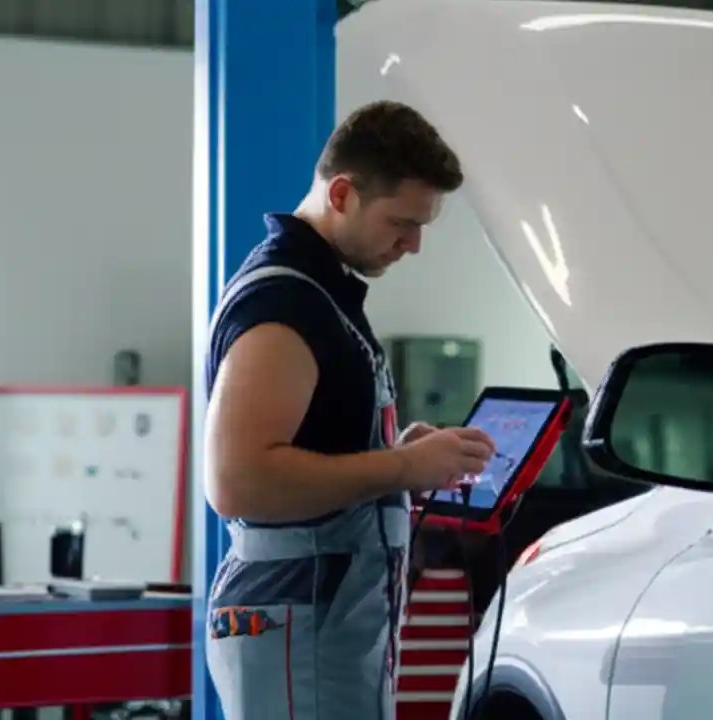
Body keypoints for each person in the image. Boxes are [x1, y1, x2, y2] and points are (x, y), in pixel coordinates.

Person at [202, 100, 496, 719]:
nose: (413, 244)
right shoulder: (285, 305)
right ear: (341, 194)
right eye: (401, 223)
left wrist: (399, 457)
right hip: (297, 621)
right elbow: (238, 480)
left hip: (324, 621)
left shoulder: (326, 298)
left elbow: (311, 446)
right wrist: (402, 468)